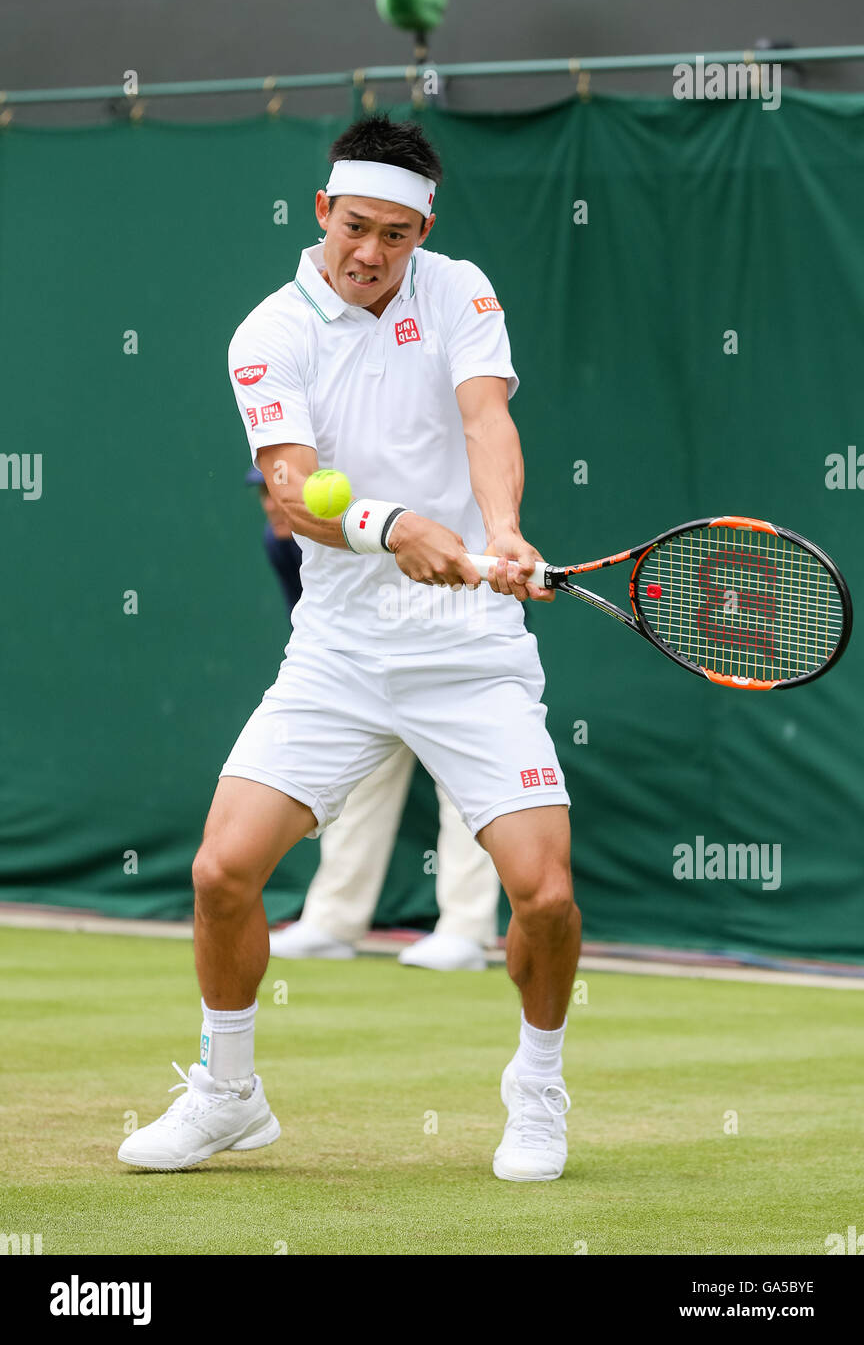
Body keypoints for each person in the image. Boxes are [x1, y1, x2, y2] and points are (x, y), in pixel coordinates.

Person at [118, 113, 581, 1182]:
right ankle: (228, 1094)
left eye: (396, 235)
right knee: (222, 870)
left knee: (544, 896)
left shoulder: (461, 289)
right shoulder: (267, 331)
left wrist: (499, 531)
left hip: (470, 645)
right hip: (337, 649)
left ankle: (539, 1084)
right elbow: (290, 490)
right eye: (355, 226)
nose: (371, 253)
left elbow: (485, 423)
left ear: (425, 230)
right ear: (322, 211)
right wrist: (391, 526)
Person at [245, 463, 501, 970]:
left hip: (454, 648)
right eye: (265, 495)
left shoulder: (404, 530)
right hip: (363, 664)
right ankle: (331, 924)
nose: (273, 504)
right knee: (359, 792)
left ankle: (467, 932)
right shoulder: (281, 545)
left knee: (467, 793)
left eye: (278, 492)